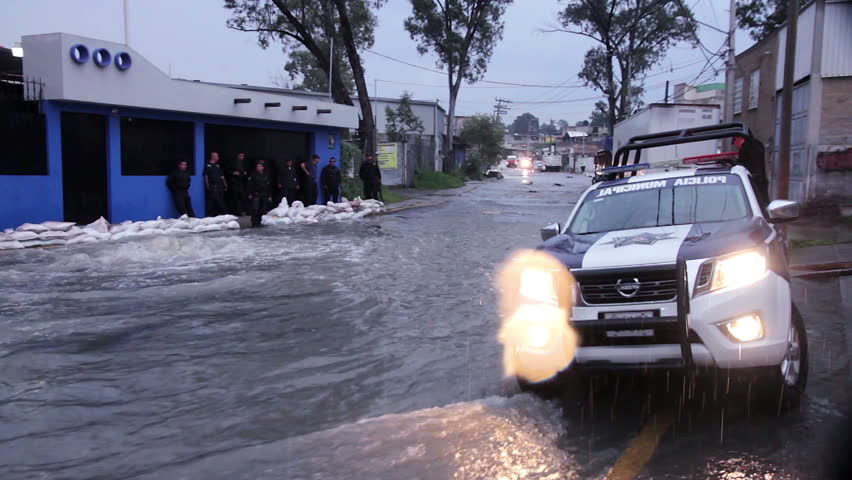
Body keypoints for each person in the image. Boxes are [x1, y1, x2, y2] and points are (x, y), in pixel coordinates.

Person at [247, 161, 273, 227]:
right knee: (255, 209)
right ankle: (254, 223)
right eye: (257, 166)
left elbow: (269, 186)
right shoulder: (253, 174)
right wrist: (249, 193)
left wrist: (270, 195)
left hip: (264, 194)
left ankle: (259, 222)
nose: (258, 168)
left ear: (263, 167)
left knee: (262, 210)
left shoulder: (266, 174)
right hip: (256, 194)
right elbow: (250, 185)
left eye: (260, 166)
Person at [203, 152, 228, 217]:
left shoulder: (218, 165)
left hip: (220, 186)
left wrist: (225, 184)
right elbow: (206, 176)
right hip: (213, 186)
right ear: (213, 157)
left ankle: (220, 214)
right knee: (213, 201)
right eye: (217, 156)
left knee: (220, 200)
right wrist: (207, 185)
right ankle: (211, 215)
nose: (218, 157)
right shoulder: (207, 165)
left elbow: (222, 176)